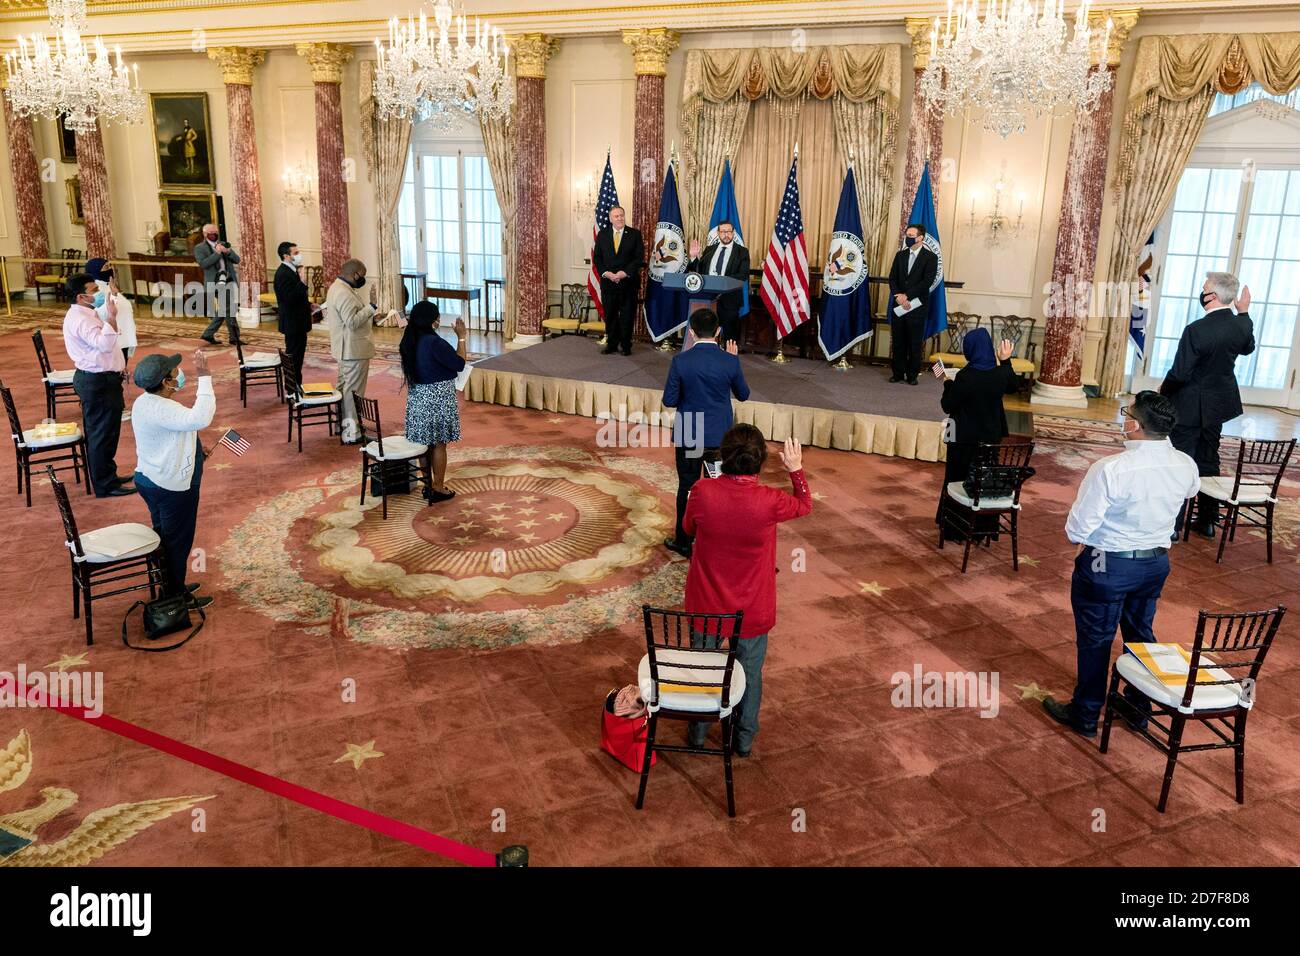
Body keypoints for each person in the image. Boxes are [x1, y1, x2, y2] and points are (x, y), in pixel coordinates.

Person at [1042, 391, 1200, 738]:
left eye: (1126, 413)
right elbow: (1189, 494)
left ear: (1135, 425)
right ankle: (1137, 707)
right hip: (1156, 563)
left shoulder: (1110, 468)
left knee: (1096, 639)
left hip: (1107, 563)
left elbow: (1077, 530)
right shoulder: (1186, 463)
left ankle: (1085, 715)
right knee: (1141, 635)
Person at [683, 427, 811, 756]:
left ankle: (697, 733)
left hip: (706, 605)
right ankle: (743, 738)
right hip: (753, 608)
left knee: (704, 669)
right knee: (750, 673)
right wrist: (796, 469)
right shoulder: (770, 500)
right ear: (760, 463)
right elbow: (804, 505)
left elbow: (687, 529)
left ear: (724, 457)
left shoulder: (702, 491)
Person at [1160, 271, 1254, 539]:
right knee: (1208, 460)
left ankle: (1173, 528)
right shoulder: (1241, 324)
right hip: (1218, 405)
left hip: (1188, 405)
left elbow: (1179, 373)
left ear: (1211, 296)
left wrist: (1162, 393)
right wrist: (1244, 312)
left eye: (1204, 288)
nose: (1201, 292)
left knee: (1180, 462)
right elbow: (1248, 348)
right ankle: (1207, 521)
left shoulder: (1196, 330)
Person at [661, 308, 750, 558]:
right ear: (719, 332)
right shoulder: (729, 361)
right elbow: (743, 394)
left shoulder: (680, 361)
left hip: (690, 432)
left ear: (691, 332)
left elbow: (669, 400)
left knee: (687, 487)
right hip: (720, 438)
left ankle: (683, 541)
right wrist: (734, 363)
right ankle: (713, 541)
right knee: (718, 490)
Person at [130, 351, 216, 610]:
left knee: (164, 538)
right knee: (177, 543)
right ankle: (174, 598)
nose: (179, 373)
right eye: (174, 371)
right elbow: (201, 417)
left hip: (148, 479)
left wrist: (194, 451)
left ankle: (170, 583)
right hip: (170, 487)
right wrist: (205, 377)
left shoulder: (143, 402)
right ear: (166, 383)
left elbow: (171, 434)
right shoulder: (165, 408)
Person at [937, 328, 1019, 539]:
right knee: (984, 482)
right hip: (990, 437)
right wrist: (1006, 360)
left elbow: (948, 405)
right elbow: (1013, 386)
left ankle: (956, 528)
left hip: (962, 437)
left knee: (956, 477)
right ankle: (984, 527)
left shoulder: (965, 377)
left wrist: (947, 382)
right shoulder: (1000, 374)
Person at [62, 272, 134, 498]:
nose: (98, 293)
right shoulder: (81, 319)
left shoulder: (85, 312)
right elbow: (103, 344)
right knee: (102, 435)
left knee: (107, 432)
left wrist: (111, 298)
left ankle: (108, 475)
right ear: (81, 297)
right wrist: (112, 320)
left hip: (101, 380)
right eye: (94, 290)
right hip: (98, 383)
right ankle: (105, 485)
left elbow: (101, 318)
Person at [400, 301, 467, 503]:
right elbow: (459, 363)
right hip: (438, 398)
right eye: (437, 316)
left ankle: (428, 484)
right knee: (439, 444)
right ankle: (438, 487)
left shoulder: (409, 340)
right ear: (432, 320)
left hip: (419, 397)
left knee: (424, 443)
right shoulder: (434, 343)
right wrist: (461, 337)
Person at [324, 258, 377, 444]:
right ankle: (352, 433)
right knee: (353, 392)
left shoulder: (339, 288)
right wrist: (371, 307)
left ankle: (343, 426)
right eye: (362, 275)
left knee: (344, 389)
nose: (362, 279)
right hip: (353, 351)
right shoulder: (343, 293)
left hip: (346, 349)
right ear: (355, 274)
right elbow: (352, 322)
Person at [887, 222, 939, 385]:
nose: (907, 238)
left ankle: (912, 375)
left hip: (917, 306)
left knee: (914, 343)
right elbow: (892, 278)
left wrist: (907, 296)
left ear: (920, 238)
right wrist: (898, 296)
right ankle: (897, 373)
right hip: (898, 304)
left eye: (910, 236)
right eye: (906, 235)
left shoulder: (931, 257)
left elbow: (927, 282)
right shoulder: (900, 255)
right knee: (898, 341)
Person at [686, 220, 750, 346]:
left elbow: (742, 275)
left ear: (733, 233)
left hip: (729, 300)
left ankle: (730, 359)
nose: (726, 234)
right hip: (708, 299)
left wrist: (720, 283)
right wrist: (693, 258)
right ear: (718, 233)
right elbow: (699, 272)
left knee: (730, 337)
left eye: (729, 232)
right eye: (723, 232)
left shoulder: (742, 251)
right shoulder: (710, 250)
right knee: (706, 333)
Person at [592, 205, 644, 356]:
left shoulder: (634, 234)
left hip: (628, 284)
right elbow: (597, 257)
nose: (620, 218)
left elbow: (638, 258)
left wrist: (625, 273)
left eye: (622, 215)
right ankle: (612, 344)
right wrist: (605, 273)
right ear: (610, 219)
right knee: (610, 315)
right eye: (616, 216)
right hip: (608, 283)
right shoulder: (602, 234)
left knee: (627, 316)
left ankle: (626, 345)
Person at [195, 223, 241, 345]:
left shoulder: (223, 244)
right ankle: (234, 338)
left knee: (224, 310)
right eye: (211, 232)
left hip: (228, 280)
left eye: (215, 232)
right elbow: (204, 264)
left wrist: (227, 251)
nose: (214, 234)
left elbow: (237, 259)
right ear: (205, 234)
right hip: (214, 283)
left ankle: (208, 334)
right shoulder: (200, 248)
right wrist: (217, 253)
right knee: (229, 308)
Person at [86, 257, 136, 369]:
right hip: (112, 334)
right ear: (95, 270)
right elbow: (101, 312)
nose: (110, 269)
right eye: (106, 267)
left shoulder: (107, 284)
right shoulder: (95, 289)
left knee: (121, 364)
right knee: (115, 368)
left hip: (122, 332)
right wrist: (113, 295)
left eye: (109, 266)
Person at [273, 240, 312, 383]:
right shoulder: (283, 273)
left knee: (298, 357)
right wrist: (302, 282)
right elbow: (289, 298)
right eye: (296, 253)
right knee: (294, 357)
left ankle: (296, 387)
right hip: (293, 323)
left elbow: (296, 296)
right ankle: (293, 388)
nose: (299, 255)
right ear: (286, 256)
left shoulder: (290, 270)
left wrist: (309, 305)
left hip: (297, 323)